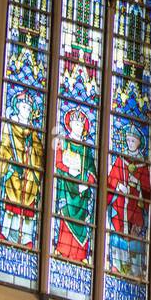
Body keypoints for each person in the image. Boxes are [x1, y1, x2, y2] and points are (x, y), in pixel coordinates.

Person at [0, 90, 43, 248]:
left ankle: (26, 240)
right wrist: (10, 164)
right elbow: (4, 147)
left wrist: (32, 161)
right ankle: (5, 235)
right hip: (13, 173)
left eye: (29, 109)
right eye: (25, 107)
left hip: (29, 176)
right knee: (11, 207)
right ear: (17, 107)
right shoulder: (9, 127)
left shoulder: (33, 133)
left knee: (28, 208)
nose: (27, 111)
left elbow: (39, 154)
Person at [107, 123, 151, 276]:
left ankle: (135, 269)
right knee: (118, 232)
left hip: (135, 207)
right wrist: (119, 186)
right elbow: (111, 180)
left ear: (139, 142)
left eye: (133, 141)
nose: (130, 143)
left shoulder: (144, 166)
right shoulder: (121, 160)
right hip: (120, 206)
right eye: (128, 140)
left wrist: (137, 185)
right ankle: (117, 265)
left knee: (135, 236)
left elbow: (147, 191)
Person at [54, 108, 95, 263]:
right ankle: (61, 250)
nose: (78, 126)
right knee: (65, 219)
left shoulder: (88, 149)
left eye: (80, 124)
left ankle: (81, 256)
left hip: (81, 192)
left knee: (81, 223)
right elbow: (57, 162)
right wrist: (68, 169)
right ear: (70, 125)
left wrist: (87, 184)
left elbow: (92, 171)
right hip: (66, 188)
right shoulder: (64, 143)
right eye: (75, 123)